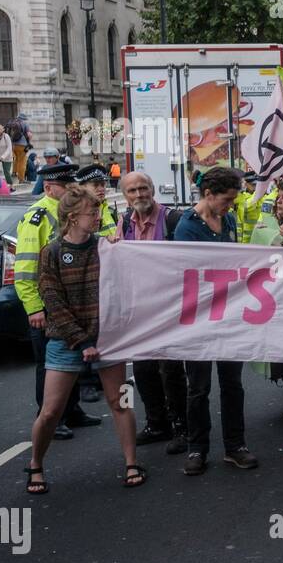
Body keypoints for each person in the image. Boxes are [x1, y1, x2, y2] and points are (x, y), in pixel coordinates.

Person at [25, 185, 143, 493]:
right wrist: (82, 342)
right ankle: (35, 463)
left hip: (108, 339)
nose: (97, 217)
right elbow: (53, 303)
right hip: (66, 342)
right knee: (51, 410)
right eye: (93, 213)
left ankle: (131, 461)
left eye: (98, 211)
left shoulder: (105, 247)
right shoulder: (50, 253)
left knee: (120, 401)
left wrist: (121, 247)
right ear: (73, 217)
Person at [172, 167, 258, 474]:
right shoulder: (186, 227)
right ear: (208, 195)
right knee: (198, 387)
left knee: (233, 385)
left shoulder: (229, 220)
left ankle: (235, 446)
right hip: (198, 320)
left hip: (228, 316)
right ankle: (198, 449)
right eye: (227, 199)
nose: (231, 205)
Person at [15, 161, 97, 440]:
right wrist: (34, 306)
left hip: (69, 303)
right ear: (49, 187)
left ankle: (72, 410)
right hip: (45, 304)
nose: (72, 189)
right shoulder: (37, 216)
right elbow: (25, 266)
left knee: (71, 360)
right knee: (48, 366)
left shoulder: (67, 212)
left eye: (73, 184)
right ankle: (51, 416)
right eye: (66, 185)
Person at [115, 171, 188, 453]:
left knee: (171, 370)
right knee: (144, 370)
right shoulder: (124, 223)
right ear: (125, 196)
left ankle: (182, 426)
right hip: (139, 309)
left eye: (143, 188)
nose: (138, 195)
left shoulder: (173, 220)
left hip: (169, 307)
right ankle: (158, 423)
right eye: (132, 191)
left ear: (153, 189)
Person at [73, 163, 120, 237]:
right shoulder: (78, 214)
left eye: (103, 185)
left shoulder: (111, 211)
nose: (101, 189)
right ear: (83, 187)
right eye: (95, 185)